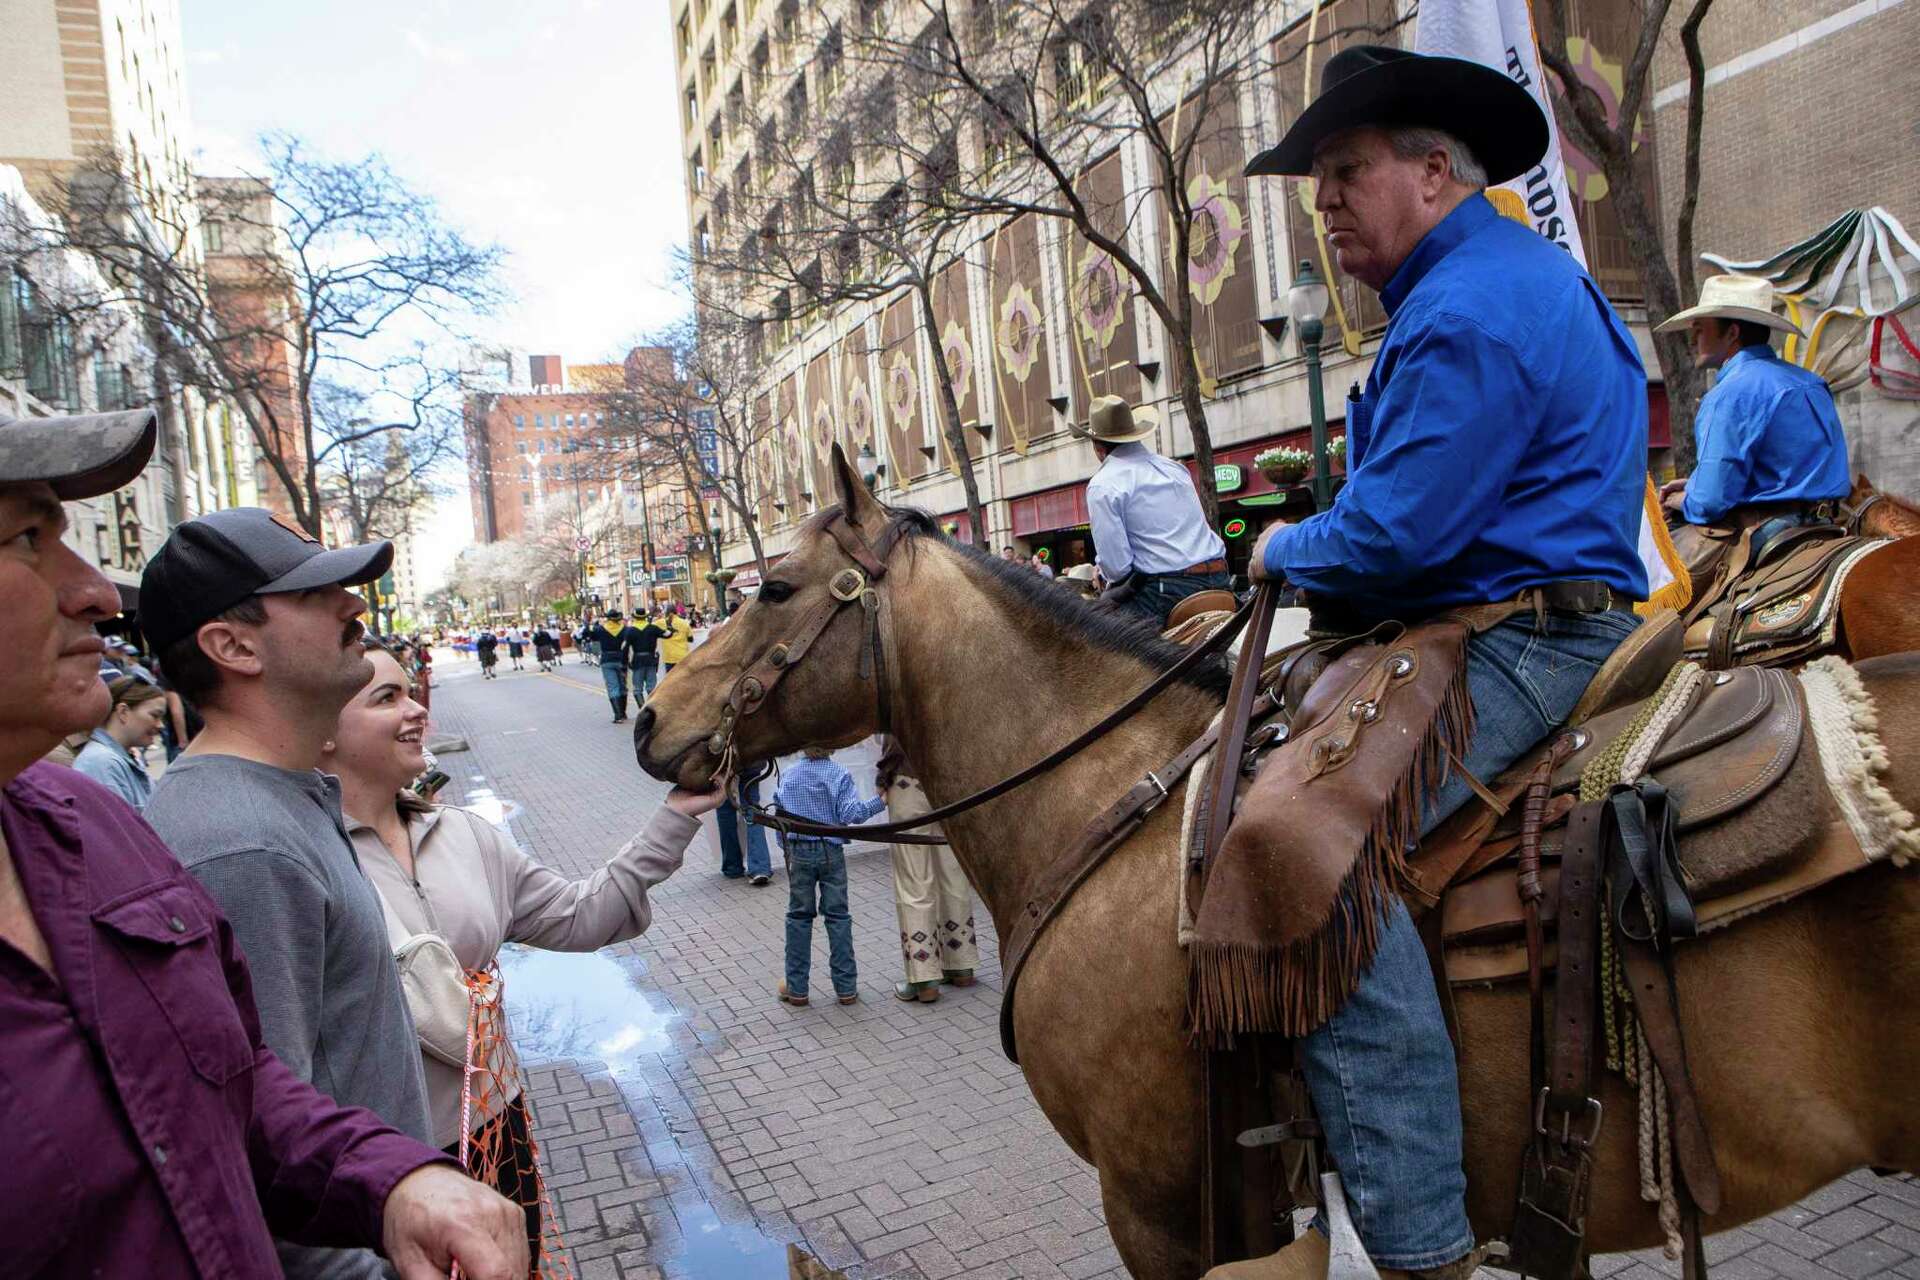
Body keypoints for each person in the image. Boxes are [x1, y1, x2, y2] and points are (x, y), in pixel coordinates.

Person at [1225, 46, 1649, 1280]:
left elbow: (1397, 534)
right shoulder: (1518, 279)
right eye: (1318, 191)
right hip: (1543, 612)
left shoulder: (1465, 308)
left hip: (1522, 635)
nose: (1329, 206)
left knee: (1310, 860)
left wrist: (1280, 546)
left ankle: (1416, 1248)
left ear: (1433, 170)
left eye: (1348, 173)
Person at [0, 408, 527, 1279]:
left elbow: (224, 1083)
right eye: (27, 537)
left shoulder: (79, 823)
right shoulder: (234, 843)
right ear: (231, 644)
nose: (95, 590)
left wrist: (395, 1183)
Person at [139, 506, 503, 1280]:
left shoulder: (280, 800)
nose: (355, 605)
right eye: (315, 593)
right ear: (231, 646)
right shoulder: (240, 843)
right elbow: (255, 1138)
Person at [324, 637, 727, 1257]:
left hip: (496, 1131)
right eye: (388, 698)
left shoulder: (465, 834)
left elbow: (578, 916)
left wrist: (676, 817)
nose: (417, 711)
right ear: (324, 730)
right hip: (387, 1163)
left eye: (412, 693)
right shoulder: (306, 858)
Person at [1655, 274, 1851, 556]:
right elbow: (1786, 470)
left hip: (1768, 530)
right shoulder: (1811, 382)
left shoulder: (1729, 395)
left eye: (1699, 328)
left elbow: (1709, 503)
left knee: (1660, 580)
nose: (1692, 338)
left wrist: (1684, 499)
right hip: (1824, 522)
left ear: (1732, 333)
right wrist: (1696, 483)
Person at [1079, 395, 1230, 628]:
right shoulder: (1174, 468)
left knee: (1096, 640)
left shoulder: (1103, 484)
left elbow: (1117, 568)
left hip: (1166, 592)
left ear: (1098, 447)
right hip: (1219, 578)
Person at [772, 746, 885, 1007]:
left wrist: (786, 847)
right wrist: (880, 801)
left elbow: (779, 817)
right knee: (838, 918)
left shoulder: (789, 774)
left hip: (799, 851)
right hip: (830, 852)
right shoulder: (839, 774)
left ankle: (797, 988)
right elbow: (850, 814)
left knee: (798, 917)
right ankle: (846, 988)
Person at [875, 739, 979, 1003]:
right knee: (952, 871)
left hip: (907, 780)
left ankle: (924, 978)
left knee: (913, 878)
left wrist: (883, 777)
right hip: (949, 779)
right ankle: (960, 964)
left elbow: (897, 733)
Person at [71, 673, 166, 809]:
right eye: (155, 715)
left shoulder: (118, 759)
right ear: (123, 712)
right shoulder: (101, 763)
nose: (160, 725)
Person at [716, 776, 772, 885]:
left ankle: (732, 866)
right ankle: (760, 868)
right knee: (752, 807)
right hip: (750, 762)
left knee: (725, 808)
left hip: (722, 765)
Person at [588, 609, 635, 722]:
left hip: (607, 660)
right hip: (622, 660)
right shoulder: (625, 630)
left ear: (608, 618)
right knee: (623, 686)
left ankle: (617, 715)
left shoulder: (601, 629)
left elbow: (590, 636)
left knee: (613, 687)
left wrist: (590, 624)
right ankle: (623, 713)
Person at [627, 610, 667, 704]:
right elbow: (667, 634)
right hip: (650, 659)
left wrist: (625, 662)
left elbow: (625, 648)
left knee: (637, 688)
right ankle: (652, 707)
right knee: (651, 687)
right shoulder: (653, 628)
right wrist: (671, 630)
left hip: (637, 661)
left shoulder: (631, 631)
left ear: (635, 617)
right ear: (645, 617)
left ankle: (642, 708)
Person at [658, 603, 694, 675]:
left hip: (669, 658)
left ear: (667, 613)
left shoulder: (660, 623)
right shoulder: (684, 623)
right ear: (676, 612)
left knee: (671, 682)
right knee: (684, 679)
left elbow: (650, 628)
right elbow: (691, 639)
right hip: (683, 657)